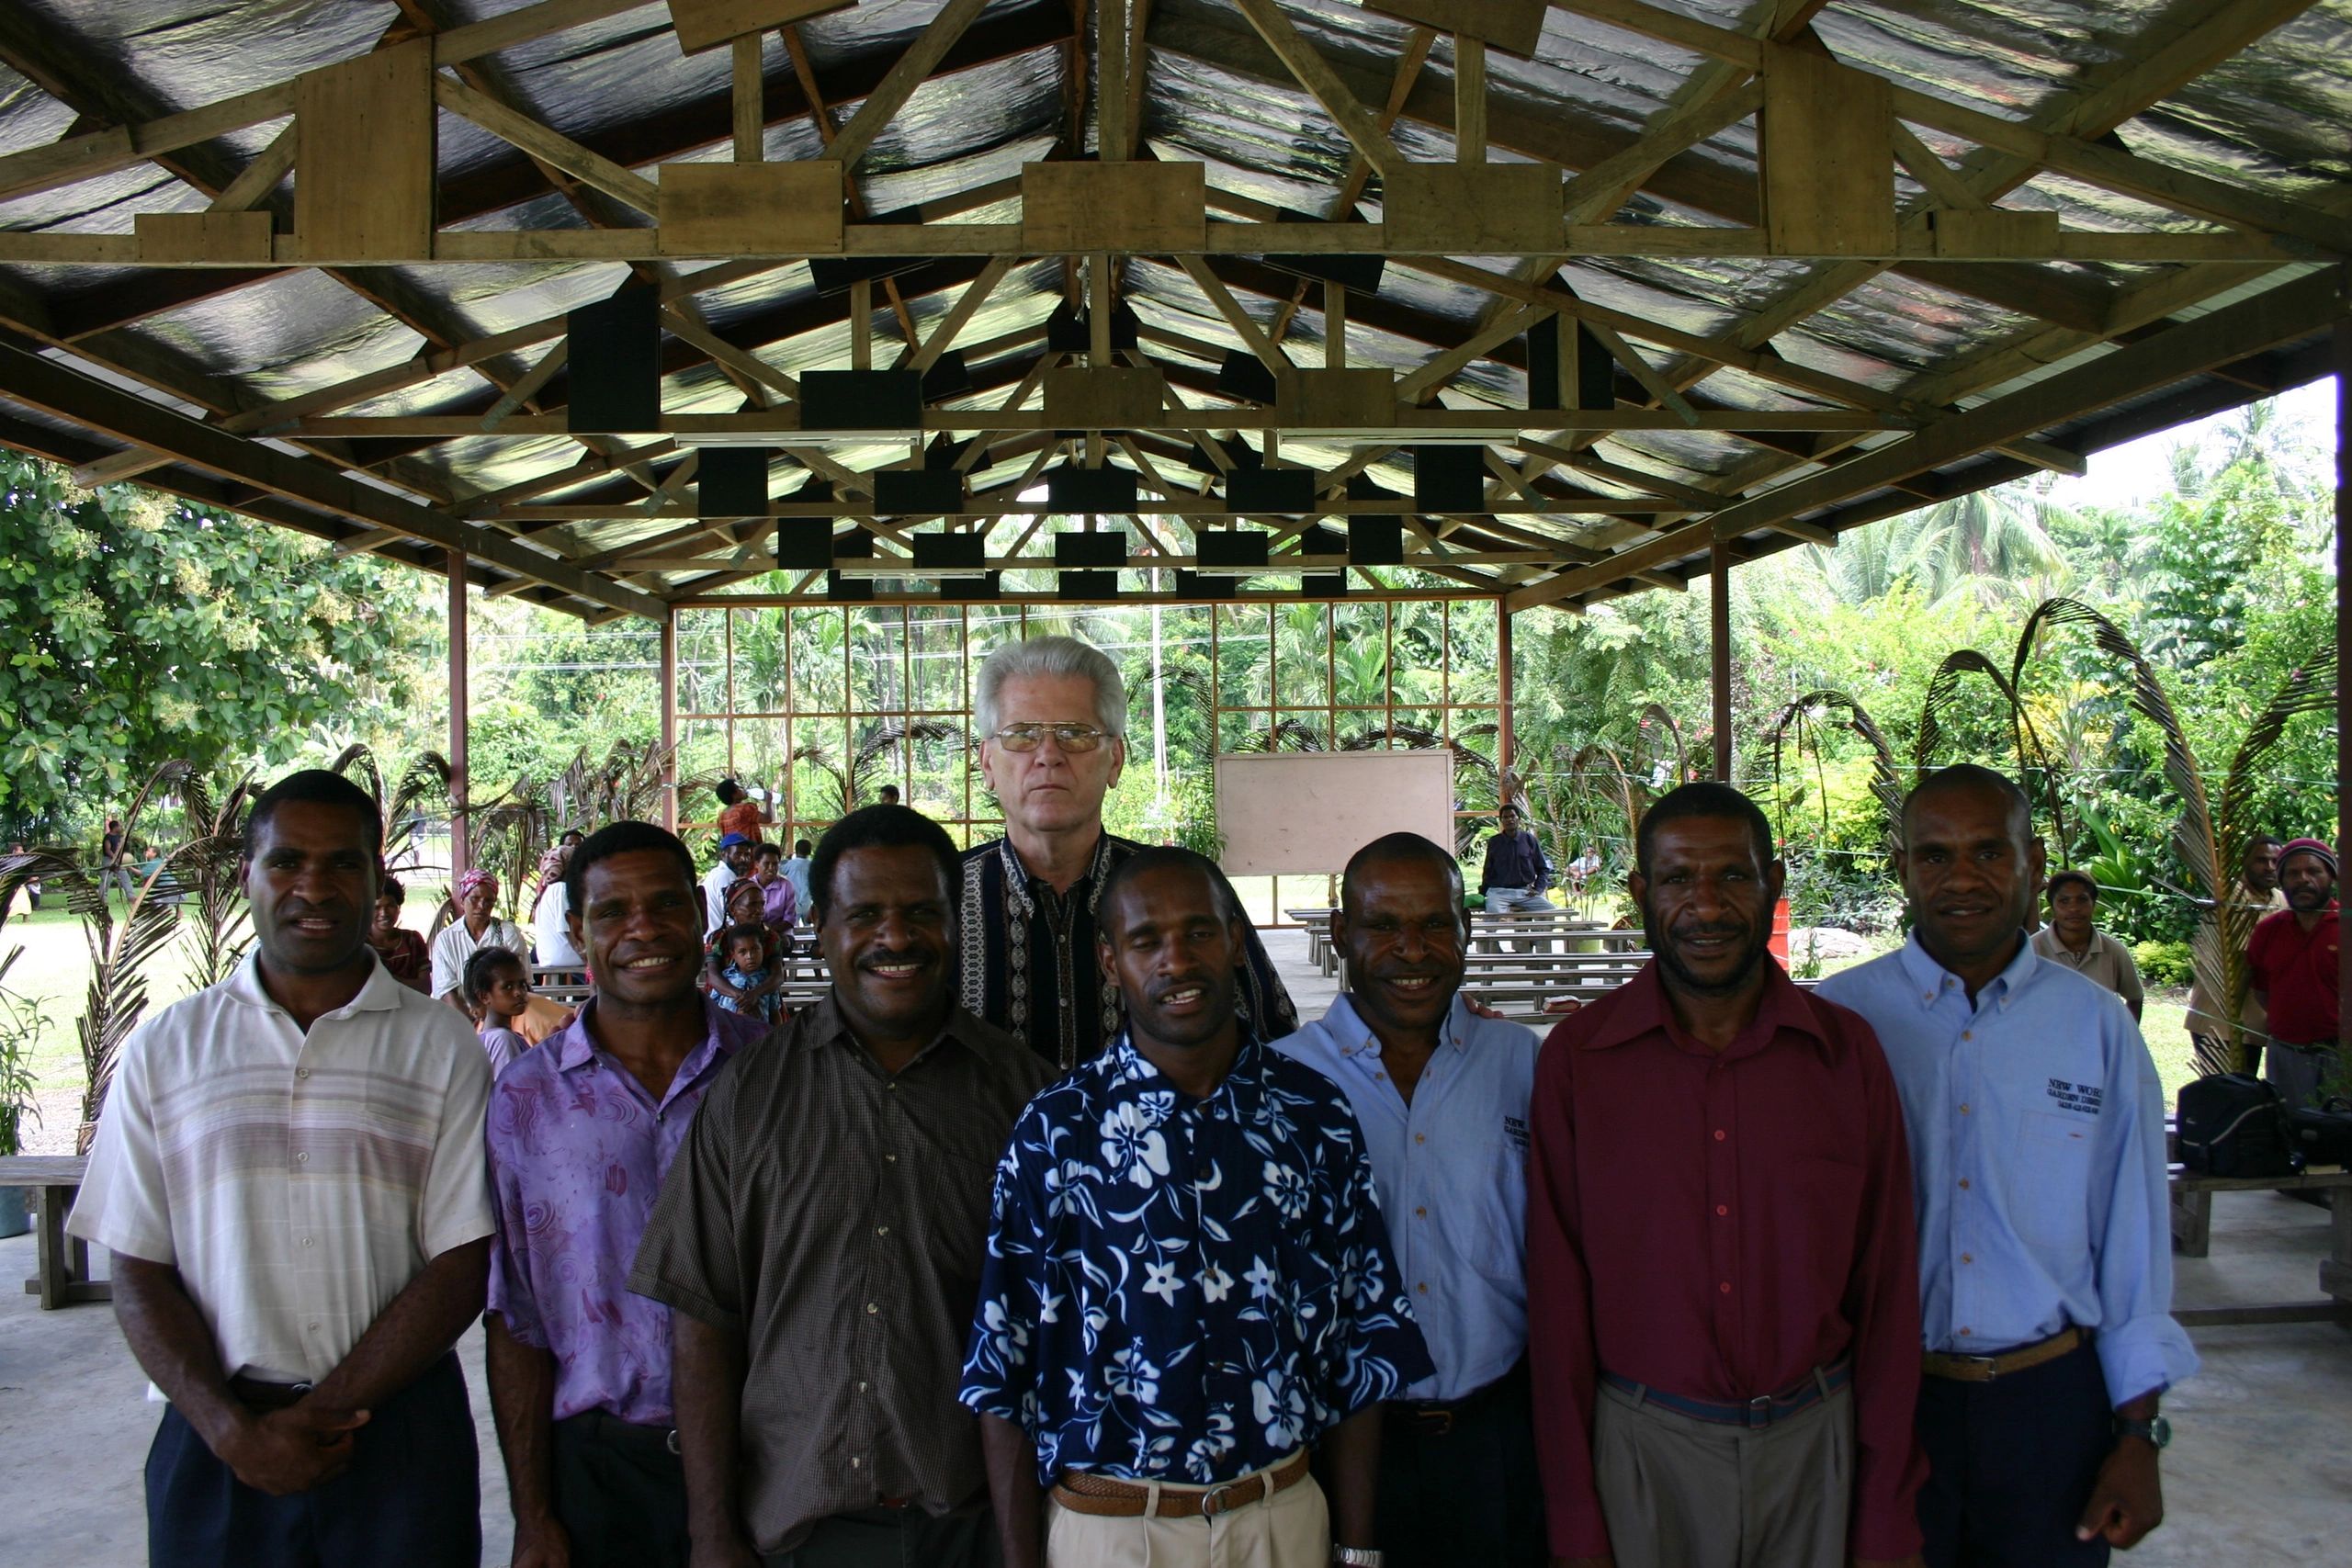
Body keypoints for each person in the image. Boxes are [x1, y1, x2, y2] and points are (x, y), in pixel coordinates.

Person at [66, 769, 493, 1568]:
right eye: (287, 861)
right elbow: (136, 1261)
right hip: (215, 1437)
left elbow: (463, 1259)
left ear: (376, 881)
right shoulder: (169, 1048)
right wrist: (236, 1433)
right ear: (247, 875)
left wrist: (319, 1417)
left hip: (397, 1435)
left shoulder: (441, 1047)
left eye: (342, 863)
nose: (314, 887)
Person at [961, 845, 1431, 1568]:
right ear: (1111, 960)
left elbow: (1360, 1344)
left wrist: (1358, 1547)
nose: (1176, 960)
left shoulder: (1313, 1117)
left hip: (1277, 1518)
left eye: (1200, 932)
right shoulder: (1058, 1130)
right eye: (1146, 940)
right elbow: (1005, 1368)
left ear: (1235, 940)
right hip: (1111, 1527)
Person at [631, 805, 1053, 1566]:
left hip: (978, 1527)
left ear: (954, 924)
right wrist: (712, 1531)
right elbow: (701, 1324)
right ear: (821, 928)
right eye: (865, 915)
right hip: (798, 1529)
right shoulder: (746, 1097)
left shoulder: (1029, 1099)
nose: (895, 937)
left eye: (922, 912)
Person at [1527, 782, 1924, 1568]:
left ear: (1773, 883)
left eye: (1733, 877)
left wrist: (1883, 1507)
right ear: (1640, 891)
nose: (1706, 906)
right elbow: (1558, 1309)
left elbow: (1886, 1291)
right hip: (1644, 1450)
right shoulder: (1579, 1062)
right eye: (1676, 878)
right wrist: (1576, 1514)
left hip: (1817, 1447)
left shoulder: (1847, 1056)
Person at [1816, 764, 2194, 1568]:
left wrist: (2138, 1435)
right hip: (1882, 1401)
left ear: (2032, 862)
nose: (1962, 878)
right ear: (1903, 870)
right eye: (1934, 855)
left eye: (1989, 852)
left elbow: (2132, 1245)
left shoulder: (2096, 1027)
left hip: (2051, 1408)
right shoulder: (1840, 1021)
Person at [486, 820, 771, 1568]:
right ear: (577, 930)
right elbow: (516, 1318)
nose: (643, 929)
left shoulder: (771, 1072)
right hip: (598, 1466)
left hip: (765, 1457)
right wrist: (534, 1514)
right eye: (612, 912)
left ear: (701, 917)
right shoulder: (525, 1099)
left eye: (666, 904)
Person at [1268, 833, 1546, 1566]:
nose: (1412, 949)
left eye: (1434, 924)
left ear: (1467, 930)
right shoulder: (1280, 1084)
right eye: (1384, 925)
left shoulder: (1523, 1065)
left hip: (1498, 1439)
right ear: (1341, 933)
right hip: (1337, 1451)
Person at [960, 636, 1295, 1069]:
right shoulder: (939, 901)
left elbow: (1275, 1045)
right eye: (1022, 735)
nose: (1048, 756)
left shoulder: (1183, 892)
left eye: (1075, 734)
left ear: (1115, 759)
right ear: (987, 763)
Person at [2247, 836, 2341, 1109]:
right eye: (2292, 873)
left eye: (2313, 871)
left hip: (2339, 1054)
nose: (2303, 879)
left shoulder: (2345, 927)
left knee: (2339, 1136)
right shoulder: (2268, 931)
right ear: (2281, 880)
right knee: (2289, 1132)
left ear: (2331, 876)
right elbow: (2262, 992)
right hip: (2285, 1053)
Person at [2186, 834, 2285, 1074]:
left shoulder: (2281, 898)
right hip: (2218, 1019)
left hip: (2254, 1022)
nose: (2270, 867)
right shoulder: (2228, 896)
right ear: (2244, 862)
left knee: (2244, 1092)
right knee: (2221, 1094)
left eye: (2276, 861)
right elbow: (2250, 956)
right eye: (2261, 860)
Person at [2030, 872, 2144, 1021]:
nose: (2074, 908)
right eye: (2064, 901)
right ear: (2052, 905)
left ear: (2093, 903)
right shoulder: (2032, 950)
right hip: (2045, 1042)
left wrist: (2126, 1037)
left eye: (2082, 900)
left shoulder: (2113, 951)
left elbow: (2135, 997)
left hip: (2099, 1043)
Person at [430, 866, 530, 1007]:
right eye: (474, 899)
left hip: (503, 1013)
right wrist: (469, 1025)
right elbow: (446, 992)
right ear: (462, 901)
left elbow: (521, 985)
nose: (482, 905)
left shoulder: (508, 934)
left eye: (488, 900)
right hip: (458, 1015)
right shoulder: (446, 939)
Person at [1479, 804, 1555, 952]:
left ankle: (1535, 942)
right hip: (1499, 891)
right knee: (1491, 917)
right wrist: (1483, 892)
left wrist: (1538, 889)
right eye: (1505, 817)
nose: (1509, 820)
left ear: (1518, 819)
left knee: (1549, 911)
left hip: (1524, 892)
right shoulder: (1495, 842)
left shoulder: (1529, 840)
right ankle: (1494, 950)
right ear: (1501, 821)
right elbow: (1488, 869)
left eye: (1512, 816)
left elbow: (1543, 868)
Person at [465, 946, 534, 1078]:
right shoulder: (502, 1040)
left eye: (522, 984)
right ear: (484, 996)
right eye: (507, 987)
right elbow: (510, 1093)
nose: (518, 992)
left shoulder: (488, 1037)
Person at [367, 874, 431, 992]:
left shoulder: (413, 941)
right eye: (377, 907)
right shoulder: (360, 945)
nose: (383, 913)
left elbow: (425, 988)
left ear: (398, 908)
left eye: (390, 906)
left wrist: (385, 980)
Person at [710, 923, 784, 1025]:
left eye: (755, 949)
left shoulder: (768, 981)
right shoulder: (725, 978)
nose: (750, 956)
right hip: (729, 1034)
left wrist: (777, 1037)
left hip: (760, 1035)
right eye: (742, 952)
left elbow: (775, 1012)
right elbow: (713, 1010)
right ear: (733, 954)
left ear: (762, 948)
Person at [532, 843, 583, 973]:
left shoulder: (547, 890)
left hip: (548, 957)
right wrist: (585, 955)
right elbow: (567, 929)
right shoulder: (561, 889)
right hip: (563, 957)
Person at [702, 833, 753, 938]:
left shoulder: (718, 873)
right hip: (718, 945)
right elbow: (732, 917)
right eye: (738, 854)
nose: (743, 859)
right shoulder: (726, 876)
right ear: (724, 854)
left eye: (747, 854)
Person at [750, 841, 798, 932]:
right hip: (754, 933)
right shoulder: (748, 886)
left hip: (781, 932)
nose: (771, 868)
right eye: (766, 864)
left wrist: (770, 932)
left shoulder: (786, 886)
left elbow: (789, 918)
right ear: (756, 864)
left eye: (775, 864)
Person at [714, 778, 777, 844]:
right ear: (734, 795)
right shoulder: (744, 809)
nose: (742, 789)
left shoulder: (722, 816)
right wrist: (769, 800)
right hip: (748, 851)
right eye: (738, 788)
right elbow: (767, 819)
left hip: (733, 852)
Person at [780, 838, 815, 920]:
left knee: (792, 926)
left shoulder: (790, 864)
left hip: (793, 901)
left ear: (796, 851)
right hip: (807, 901)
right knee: (809, 927)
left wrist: (787, 859)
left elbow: (780, 869)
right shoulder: (813, 866)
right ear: (810, 852)